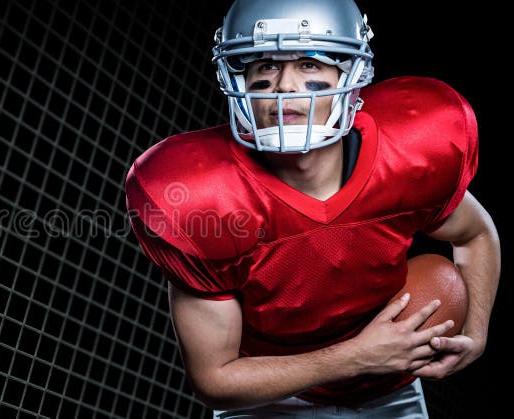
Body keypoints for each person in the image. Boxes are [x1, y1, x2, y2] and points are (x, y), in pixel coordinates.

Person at [124, 0, 501, 417]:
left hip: (390, 388)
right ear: (239, 78)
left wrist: (478, 331)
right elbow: (216, 379)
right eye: (265, 66)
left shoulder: (410, 148)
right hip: (267, 397)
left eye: (309, 63)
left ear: (351, 74)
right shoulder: (203, 194)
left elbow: (475, 234)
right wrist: (355, 356)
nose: (285, 85)